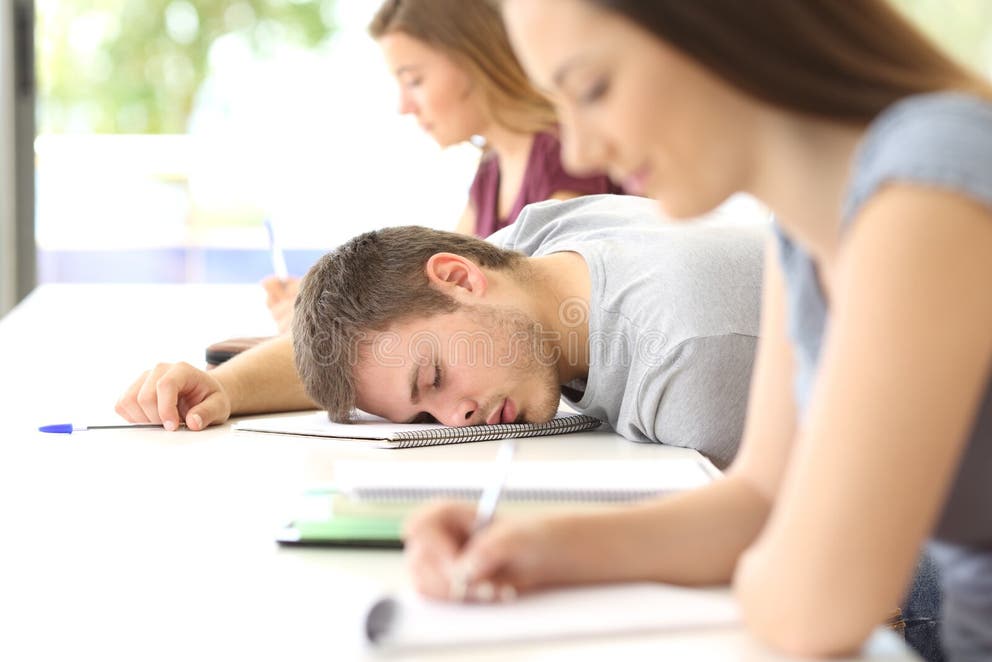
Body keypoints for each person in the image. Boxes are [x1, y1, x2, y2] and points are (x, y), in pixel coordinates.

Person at [402, 2, 992, 661]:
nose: (579, 150)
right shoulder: (804, 226)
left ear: (716, 26)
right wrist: (534, 547)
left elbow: (816, 605)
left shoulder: (926, 191)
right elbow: (758, 497)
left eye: (593, 89)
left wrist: (781, 567)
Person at [115, 194, 764, 469]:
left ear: (457, 277)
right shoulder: (537, 249)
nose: (457, 419)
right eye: (426, 413)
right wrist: (224, 388)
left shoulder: (687, 365)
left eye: (435, 379)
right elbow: (370, 351)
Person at [261, 0, 622, 333]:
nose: (404, 106)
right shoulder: (490, 174)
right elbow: (432, 285)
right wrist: (324, 308)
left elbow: (526, 316)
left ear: (474, 60)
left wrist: (333, 323)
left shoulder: (567, 156)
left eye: (414, 80)